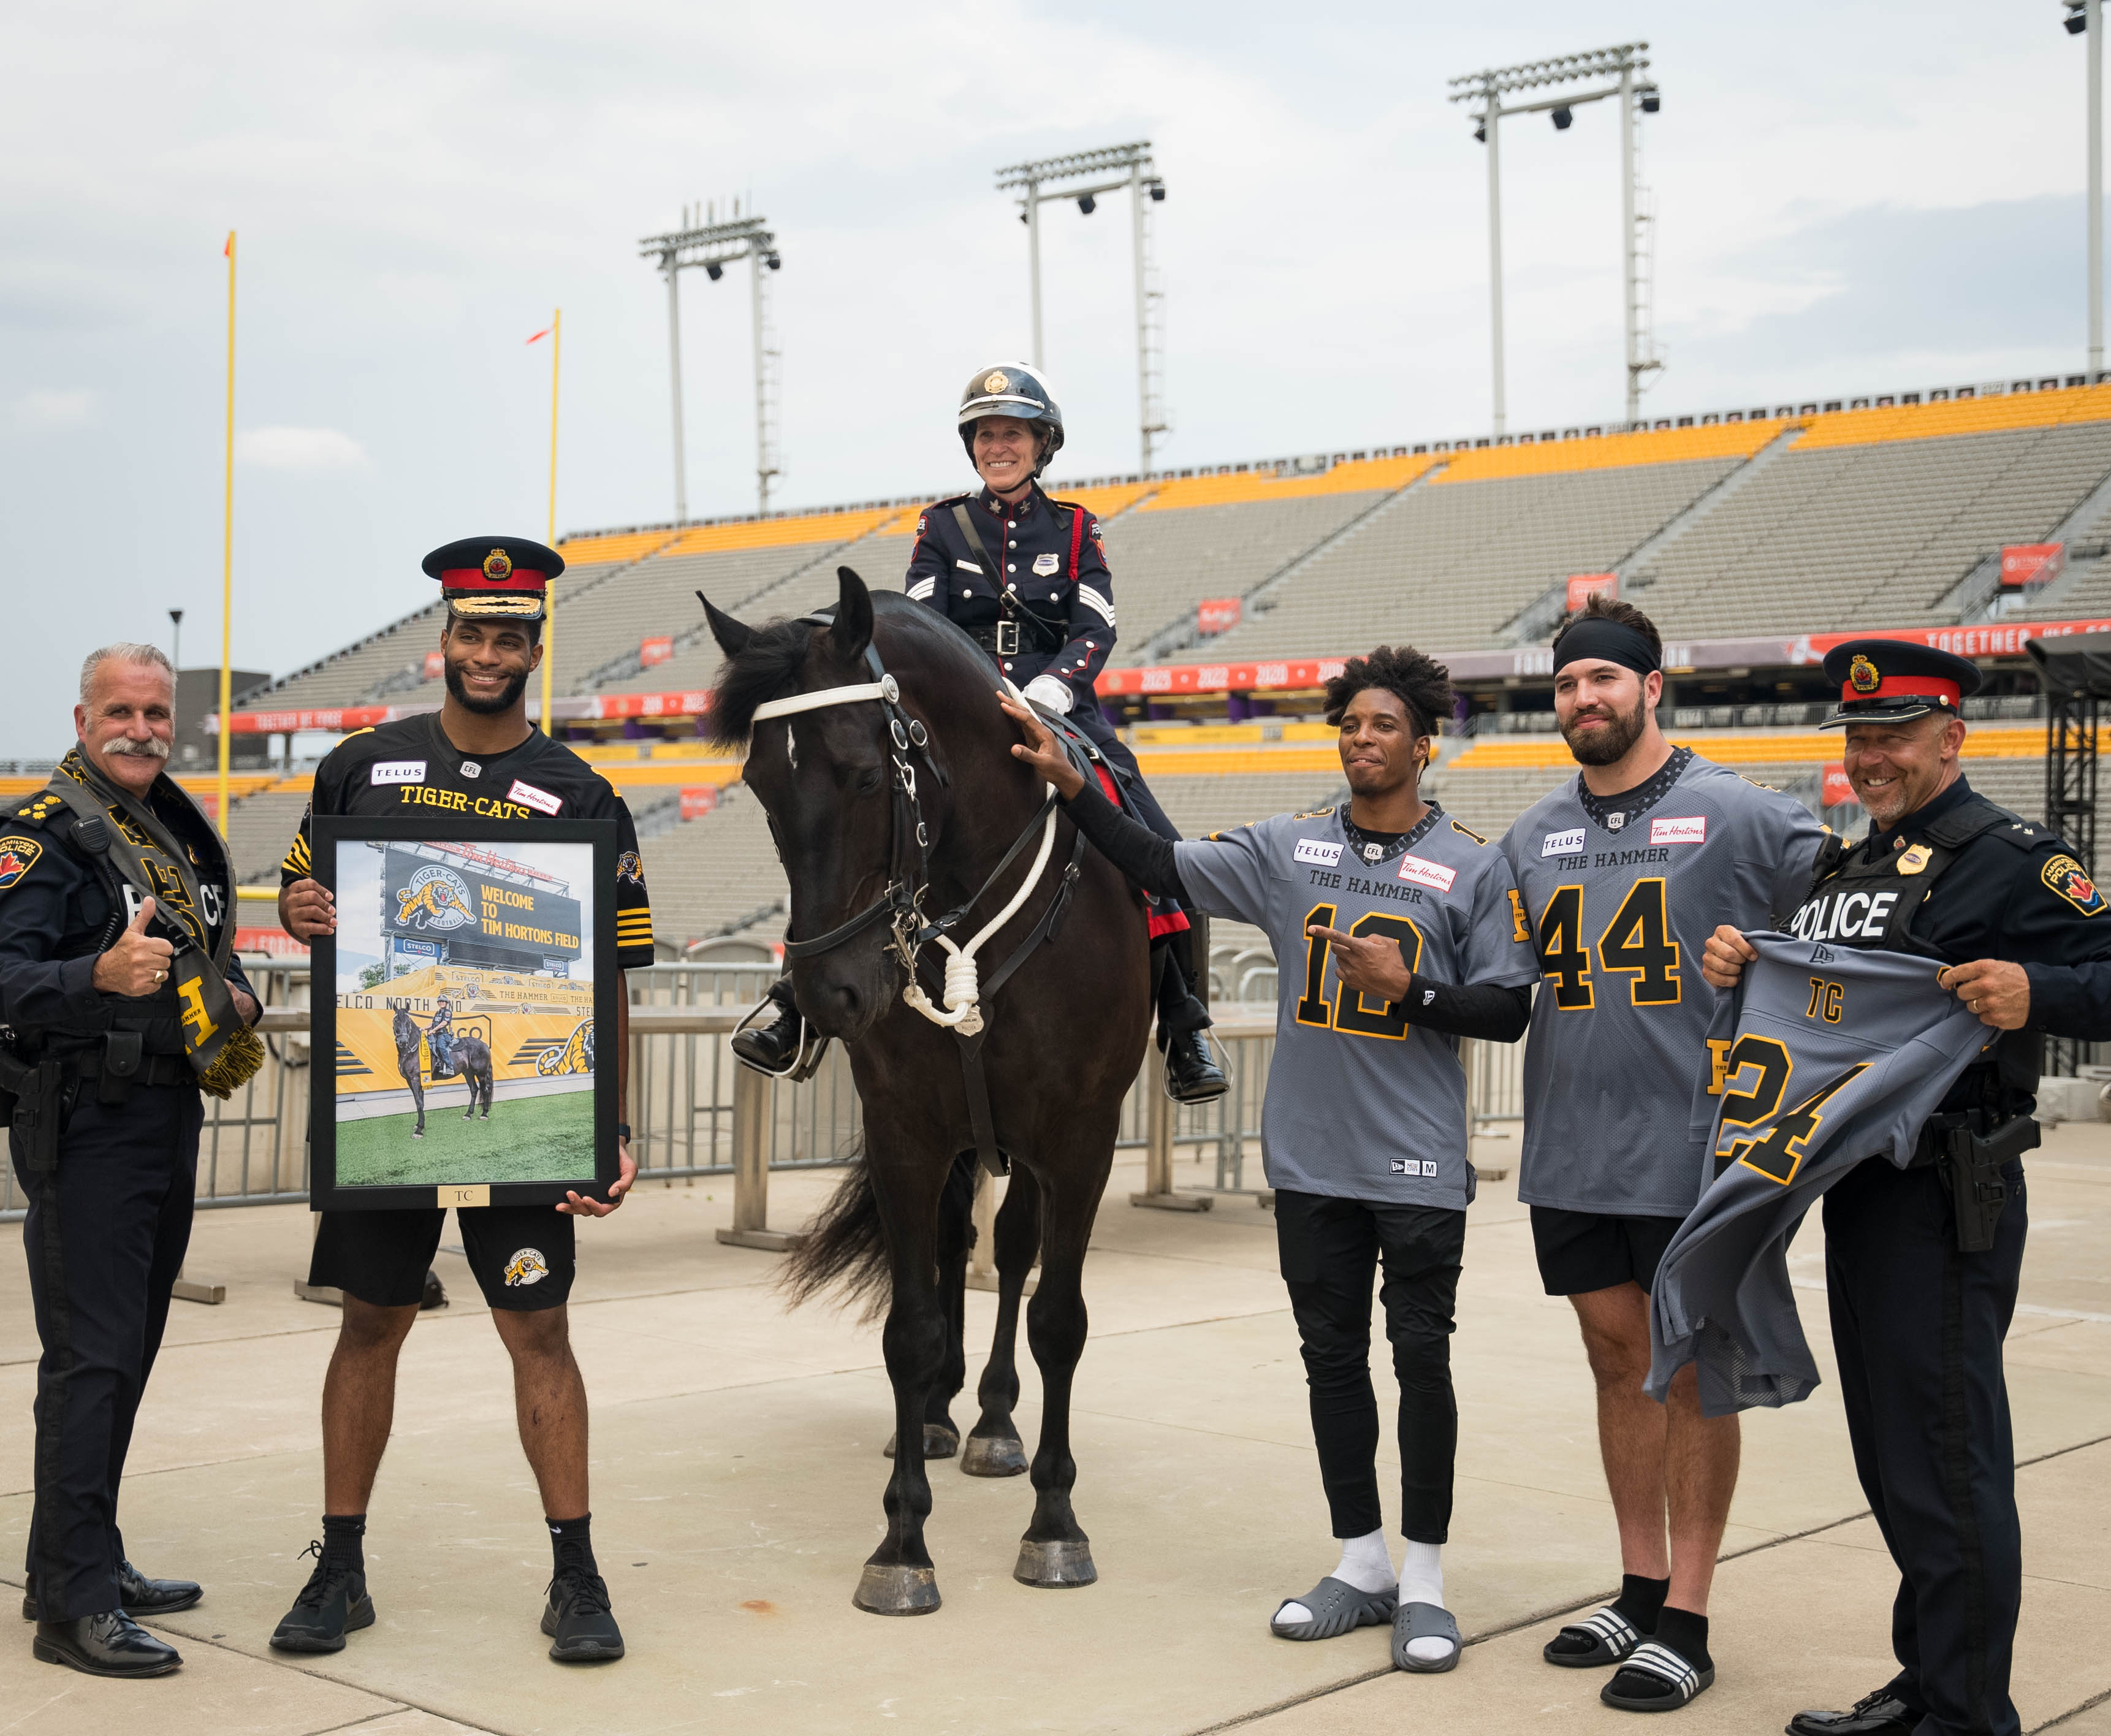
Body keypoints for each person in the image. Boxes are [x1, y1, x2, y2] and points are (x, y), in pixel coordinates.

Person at [1003, 644, 1536, 1674]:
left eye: (1384, 726)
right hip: (1310, 1158)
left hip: (1415, 1162)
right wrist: (1072, 786)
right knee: (1331, 1360)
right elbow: (1158, 863)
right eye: (1351, 725)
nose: (1363, 739)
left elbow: (1508, 1010)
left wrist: (1410, 989)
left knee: (1420, 1360)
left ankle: (1426, 1580)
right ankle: (1362, 1562)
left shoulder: (1476, 865)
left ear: (1425, 745)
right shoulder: (1289, 846)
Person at [1703, 639, 2111, 1736]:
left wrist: (2041, 989)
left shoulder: (2013, 860)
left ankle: (1969, 1714)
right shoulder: (1846, 870)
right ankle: (1928, 1681)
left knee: (1947, 1456)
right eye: (1857, 738)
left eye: (1893, 737)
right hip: (1860, 1190)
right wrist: (1747, 961)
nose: (1870, 757)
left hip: (1947, 1190)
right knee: (1893, 1458)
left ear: (1952, 738)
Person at [272, 536, 655, 1664]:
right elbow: (304, 893)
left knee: (540, 1328)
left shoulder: (584, 791)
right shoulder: (358, 765)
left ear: (535, 650)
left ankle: (577, 1576)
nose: (488, 654)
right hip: (379, 1125)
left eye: (509, 638)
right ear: (443, 639)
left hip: (532, 1130)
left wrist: (612, 1126)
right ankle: (340, 1568)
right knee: (369, 1323)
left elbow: (613, 974)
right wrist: (299, 910)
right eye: (472, 633)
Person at [1496, 596, 1833, 1713]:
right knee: (1614, 1361)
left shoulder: (1738, 811)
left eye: (1603, 678)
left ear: (1651, 687)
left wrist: (1768, 962)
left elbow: (1849, 916)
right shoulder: (1532, 833)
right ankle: (1638, 1587)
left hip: (1693, 1142)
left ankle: (1688, 1614)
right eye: (1566, 683)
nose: (1582, 697)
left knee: (1692, 1371)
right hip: (1570, 1142)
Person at [732, 362, 1227, 1103]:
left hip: (1061, 706)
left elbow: (1096, 626)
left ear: (1042, 443)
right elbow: (923, 622)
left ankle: (1185, 1025)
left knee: (1158, 839)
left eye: (1013, 434)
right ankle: (793, 1004)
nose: (999, 447)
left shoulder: (1078, 528)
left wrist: (1053, 686)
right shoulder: (941, 526)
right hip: (963, 710)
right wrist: (981, 690)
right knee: (860, 826)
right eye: (986, 435)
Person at [0, 641, 265, 1678]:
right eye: (121, 711)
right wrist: (96, 973)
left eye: (155, 712)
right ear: (83, 720)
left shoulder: (162, 825)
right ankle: (72, 1607)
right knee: (90, 1357)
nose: (142, 729)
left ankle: (77, 1556)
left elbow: (196, 948)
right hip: (86, 1122)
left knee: (125, 1351)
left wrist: (230, 992)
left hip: (162, 1112)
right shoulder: (38, 836)